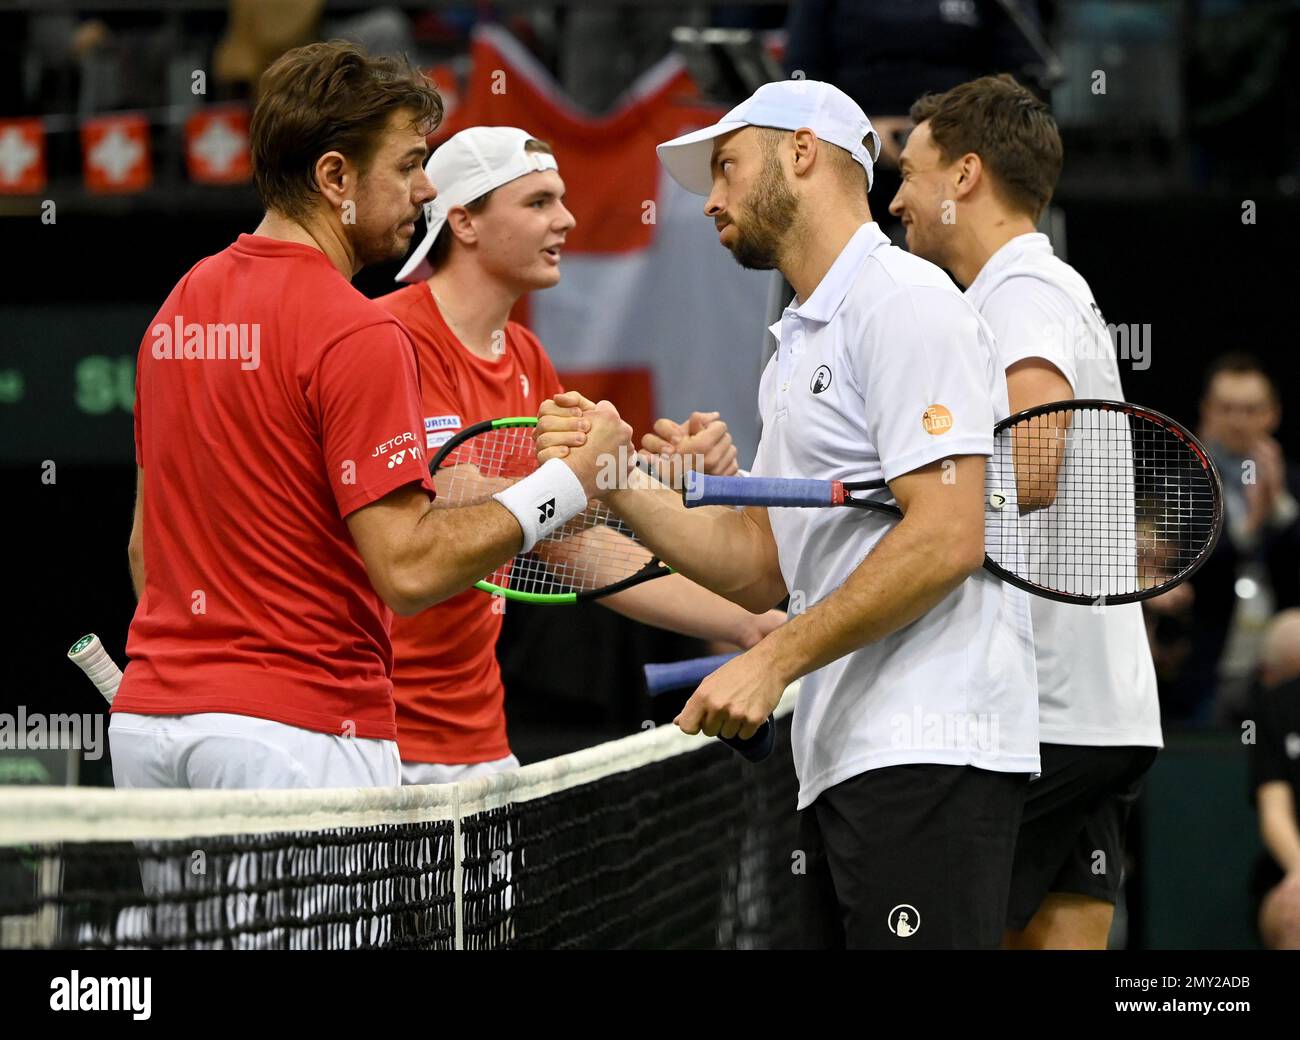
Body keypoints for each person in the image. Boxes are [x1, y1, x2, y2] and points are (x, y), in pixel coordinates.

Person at [538, 79, 1040, 949]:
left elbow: (949, 536)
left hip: (930, 749)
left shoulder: (906, 302)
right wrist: (611, 474)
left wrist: (774, 662)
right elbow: (759, 562)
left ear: (803, 152)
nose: (712, 202)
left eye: (726, 169)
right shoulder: (799, 343)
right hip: (847, 758)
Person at [113, 42, 630, 792]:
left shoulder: (179, 308)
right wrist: (567, 482)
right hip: (298, 735)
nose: (425, 189)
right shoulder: (358, 329)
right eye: (407, 165)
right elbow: (410, 569)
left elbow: (143, 551)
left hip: (153, 726)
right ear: (335, 178)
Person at [376, 126, 783, 783]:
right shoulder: (385, 338)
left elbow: (567, 539)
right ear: (464, 221)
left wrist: (748, 622)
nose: (565, 219)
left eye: (561, 199)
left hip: (477, 738)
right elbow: (439, 491)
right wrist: (597, 476)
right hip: (375, 739)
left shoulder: (526, 358)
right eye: (538, 202)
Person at [888, 73, 1161, 949]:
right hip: (1101, 713)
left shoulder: (1019, 293)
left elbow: (1033, 467)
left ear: (964, 177)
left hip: (1044, 718)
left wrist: (902, 503)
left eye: (912, 172)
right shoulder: (1040, 287)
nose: (897, 200)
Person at [1249, 608, 1300, 949]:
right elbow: (1274, 810)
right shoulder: (1273, 708)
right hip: (1288, 870)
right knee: (1293, 915)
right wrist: (1298, 871)